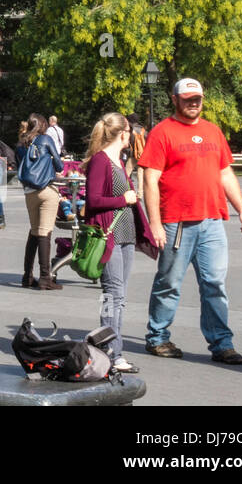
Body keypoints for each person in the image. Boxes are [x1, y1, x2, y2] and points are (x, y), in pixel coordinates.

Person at [139, 78, 242, 365]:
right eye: (187, 98)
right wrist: (154, 222)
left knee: (215, 283)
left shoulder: (213, 131)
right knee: (169, 283)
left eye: (198, 99)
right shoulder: (162, 132)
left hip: (212, 220)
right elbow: (150, 179)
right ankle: (158, 337)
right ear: (175, 99)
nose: (193, 103)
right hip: (176, 223)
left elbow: (225, 173)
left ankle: (221, 343)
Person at [82, 111, 160, 374]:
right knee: (111, 296)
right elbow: (92, 201)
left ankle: (111, 350)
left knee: (120, 297)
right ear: (123, 133)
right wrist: (124, 199)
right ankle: (111, 353)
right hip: (109, 238)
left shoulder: (119, 159)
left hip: (125, 236)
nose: (134, 134)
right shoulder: (100, 161)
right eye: (131, 130)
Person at [17, 114, 62, 290]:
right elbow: (59, 164)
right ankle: (45, 277)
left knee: (34, 232)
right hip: (46, 189)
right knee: (44, 233)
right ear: (43, 125)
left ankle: (27, 276)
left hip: (29, 193)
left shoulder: (22, 142)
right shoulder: (45, 139)